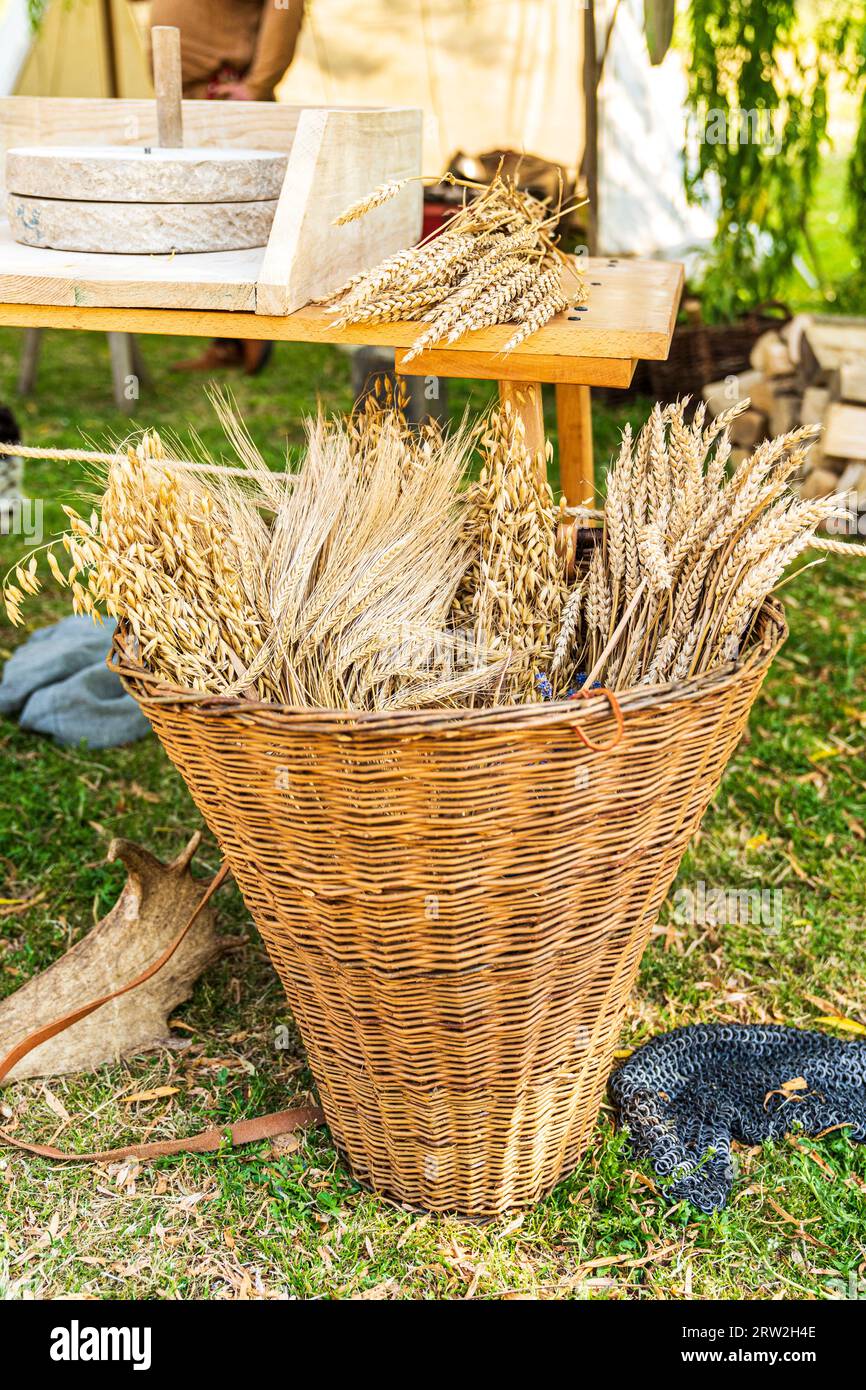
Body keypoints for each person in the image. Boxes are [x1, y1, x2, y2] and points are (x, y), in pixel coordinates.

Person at [146, 0, 305, 373]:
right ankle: (226, 341)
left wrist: (258, 83)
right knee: (205, 223)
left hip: (227, 96)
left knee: (239, 220)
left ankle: (251, 329)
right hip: (190, 97)